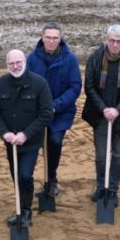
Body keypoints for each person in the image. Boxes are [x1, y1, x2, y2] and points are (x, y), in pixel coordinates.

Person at [0, 48, 54, 227]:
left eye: (18, 62)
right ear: (7, 64)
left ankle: (26, 213)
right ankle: (20, 208)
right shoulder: (2, 82)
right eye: (11, 63)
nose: (15, 66)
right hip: (11, 142)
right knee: (16, 176)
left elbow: (46, 114)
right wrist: (5, 133)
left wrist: (26, 134)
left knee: (25, 175)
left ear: (25, 61)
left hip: (31, 142)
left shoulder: (39, 83)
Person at [81, 24, 120, 202]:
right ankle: (101, 186)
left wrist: (117, 110)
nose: (115, 45)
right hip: (100, 116)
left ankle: (113, 189)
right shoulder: (95, 58)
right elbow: (89, 87)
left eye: (119, 41)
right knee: (101, 156)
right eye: (112, 40)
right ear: (106, 40)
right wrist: (104, 109)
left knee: (118, 155)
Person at [26, 24, 81, 200]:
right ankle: (29, 180)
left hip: (60, 112)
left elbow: (74, 87)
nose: (51, 41)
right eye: (48, 37)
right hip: (37, 112)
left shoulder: (70, 59)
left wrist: (56, 105)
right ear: (42, 37)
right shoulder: (32, 59)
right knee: (37, 145)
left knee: (54, 141)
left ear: (60, 38)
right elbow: (26, 84)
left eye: (55, 38)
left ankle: (52, 178)